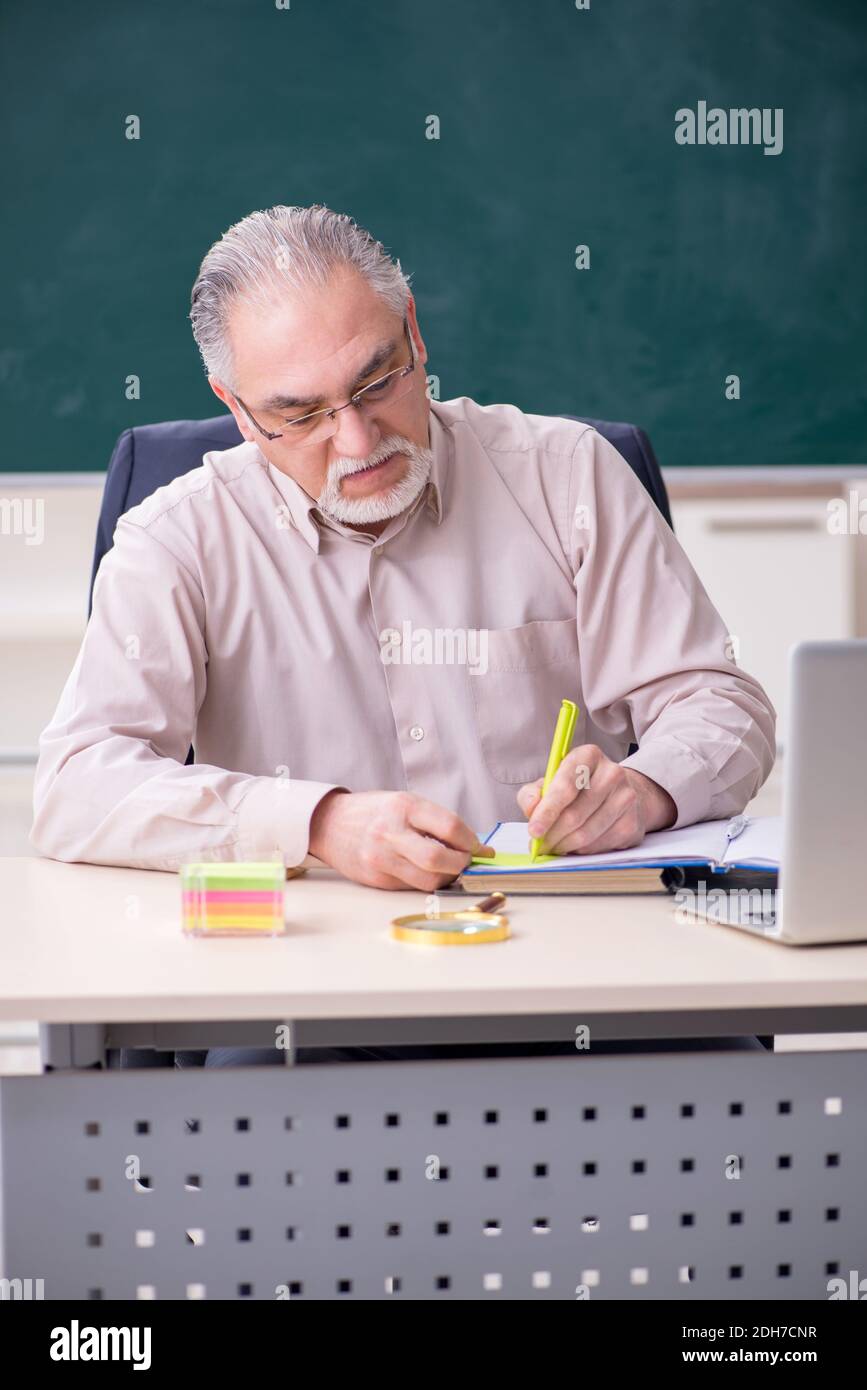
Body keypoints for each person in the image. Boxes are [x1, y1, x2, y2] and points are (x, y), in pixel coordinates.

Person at [32, 204, 776, 1065]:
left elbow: (718, 703)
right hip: (304, 1003)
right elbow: (78, 784)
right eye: (300, 415)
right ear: (236, 411)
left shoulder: (567, 474)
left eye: (375, 383)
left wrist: (645, 790)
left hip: (587, 980)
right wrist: (315, 823)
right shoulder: (175, 539)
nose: (356, 440)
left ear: (413, 334)